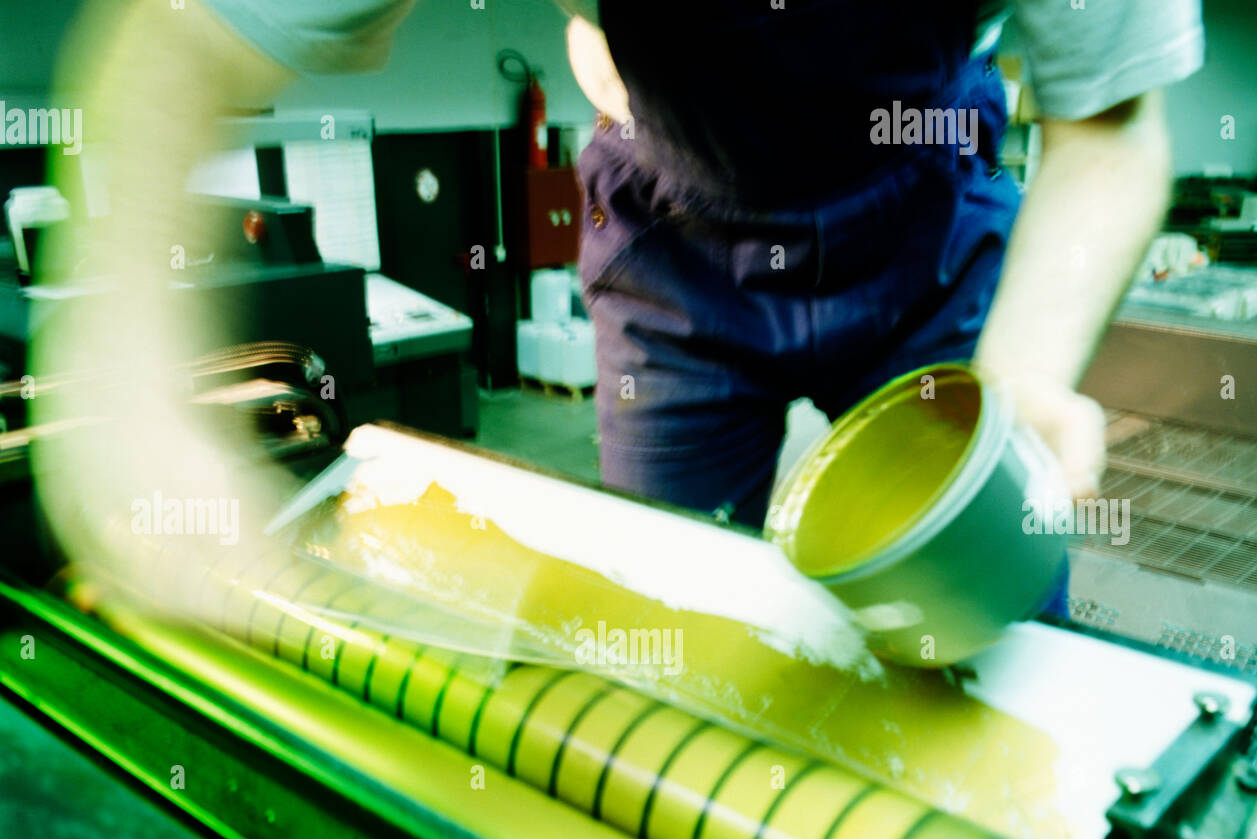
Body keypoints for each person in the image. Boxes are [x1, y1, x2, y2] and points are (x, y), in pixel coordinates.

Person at [35, 0, 1203, 617]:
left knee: (979, 602)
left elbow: (1110, 123)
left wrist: (1023, 377)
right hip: (670, 249)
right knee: (660, 615)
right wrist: (125, 388)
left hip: (926, 230)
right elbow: (184, 42)